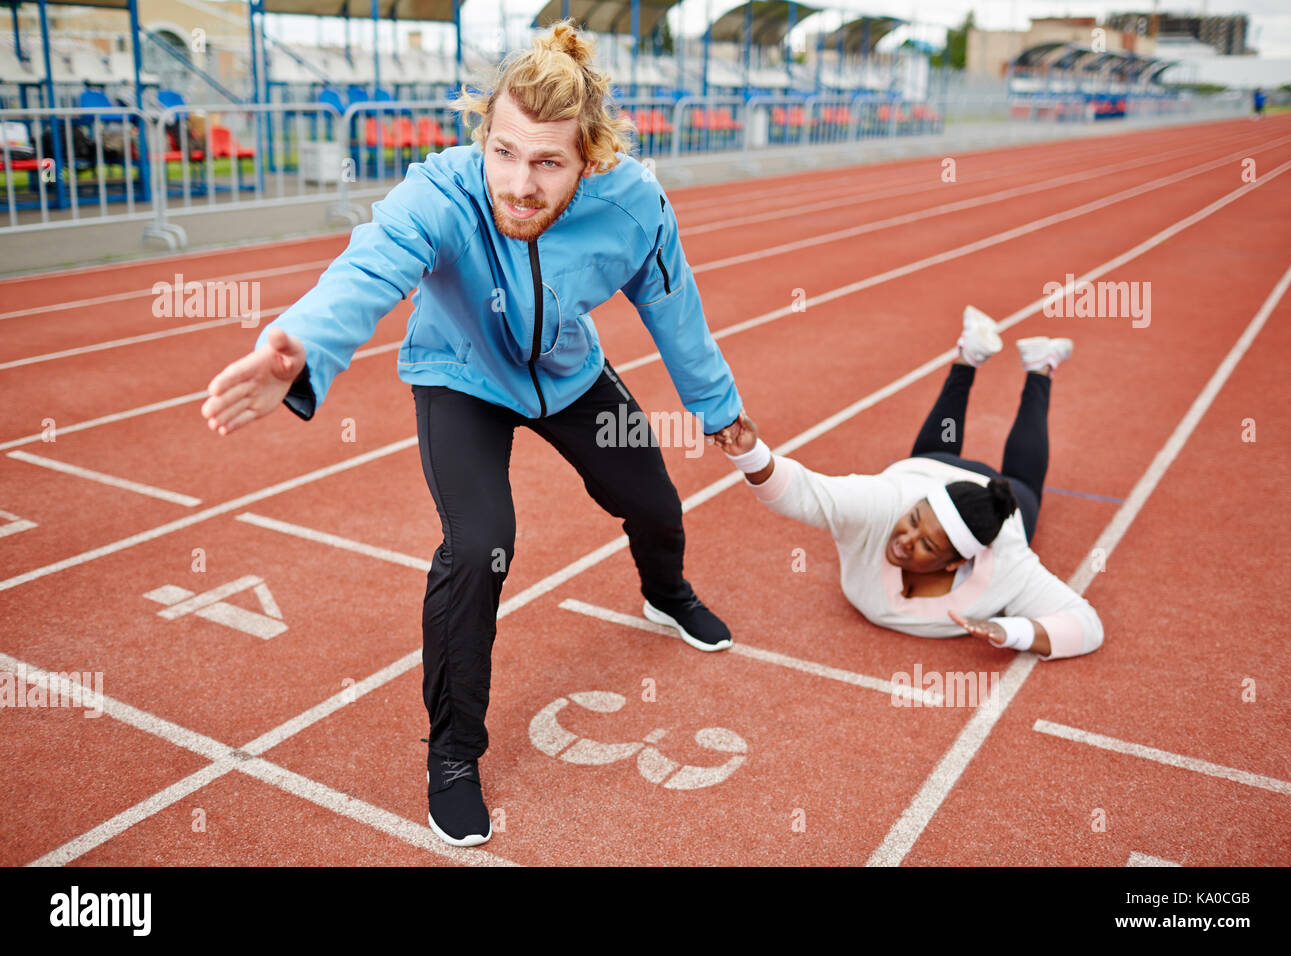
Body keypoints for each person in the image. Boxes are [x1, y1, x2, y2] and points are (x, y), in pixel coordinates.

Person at [199, 20, 746, 847]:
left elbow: (674, 306)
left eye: (547, 163)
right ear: (483, 139)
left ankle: (665, 594)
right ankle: (453, 756)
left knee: (656, 502)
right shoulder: (446, 191)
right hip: (461, 377)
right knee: (481, 544)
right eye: (504, 152)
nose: (519, 185)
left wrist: (720, 411)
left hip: (567, 373)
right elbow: (370, 263)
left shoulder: (633, 201)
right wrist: (301, 344)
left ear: (590, 158)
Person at [715, 306, 1103, 660]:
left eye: (927, 544)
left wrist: (1012, 630)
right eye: (914, 521)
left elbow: (1088, 626)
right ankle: (970, 357)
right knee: (934, 451)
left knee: (1022, 484)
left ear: (955, 562)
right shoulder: (884, 504)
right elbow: (805, 493)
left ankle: (1039, 368)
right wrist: (750, 454)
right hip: (928, 471)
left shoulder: (1007, 565)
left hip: (996, 496)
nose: (905, 539)